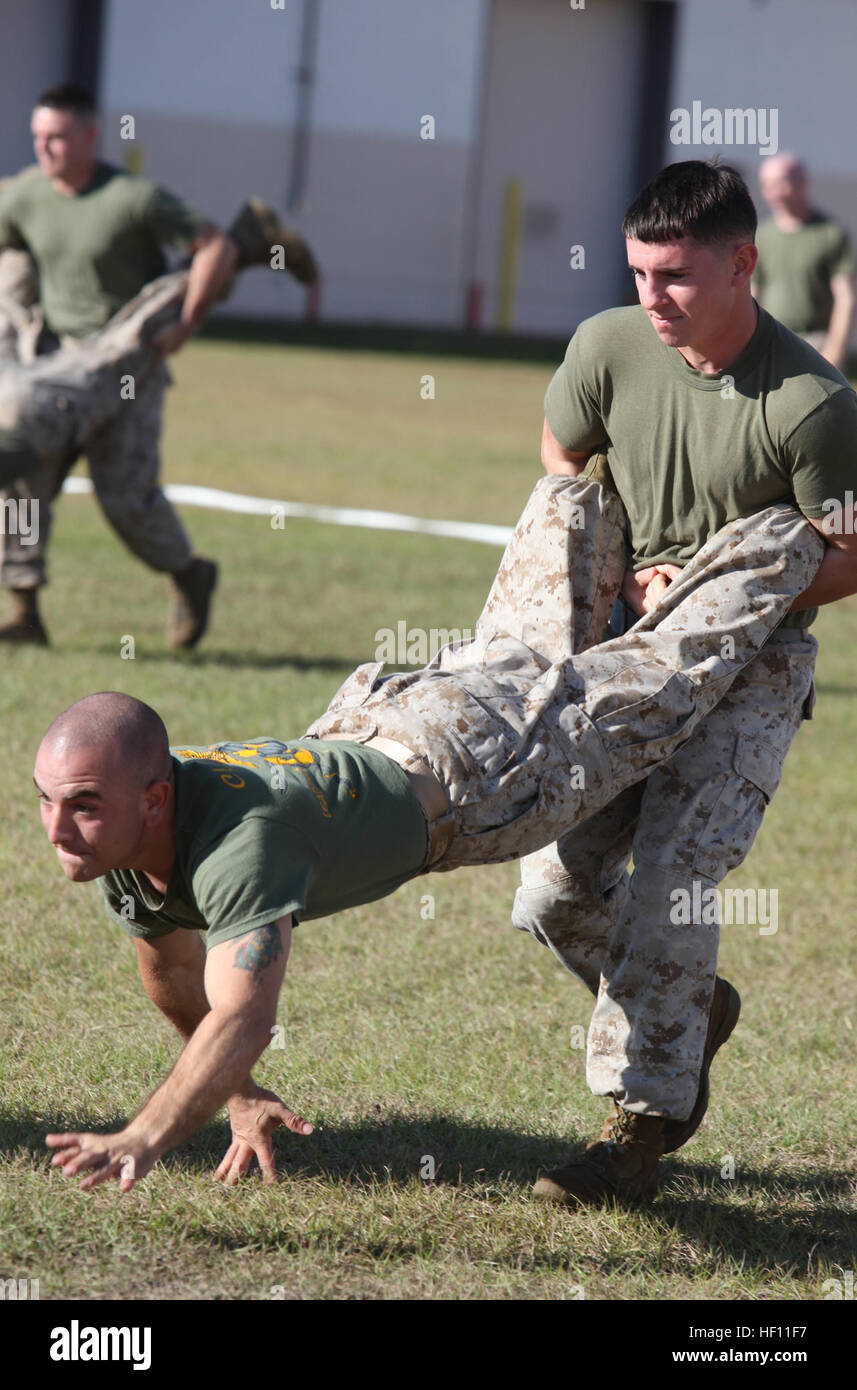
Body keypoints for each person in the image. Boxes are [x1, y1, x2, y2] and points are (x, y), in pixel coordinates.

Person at [34, 471, 825, 1196]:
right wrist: (238, 1095)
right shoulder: (132, 838)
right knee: (567, 506)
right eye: (49, 802)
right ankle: (590, 492)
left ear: (154, 798)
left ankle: (786, 528)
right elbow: (171, 966)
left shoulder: (239, 843)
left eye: (83, 805)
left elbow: (243, 1015)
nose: (59, 830)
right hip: (398, 715)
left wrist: (144, 1135)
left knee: (665, 667)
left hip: (492, 771)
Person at [511, 160, 857, 1207]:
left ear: (741, 264)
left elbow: (846, 550)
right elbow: (561, 457)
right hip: (624, 650)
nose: (649, 297)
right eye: (635, 273)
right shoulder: (606, 347)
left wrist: (714, 593)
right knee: (547, 893)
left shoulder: (810, 402)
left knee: (669, 885)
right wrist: (621, 567)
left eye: (672, 276)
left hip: (751, 671)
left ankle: (636, 1128)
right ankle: (688, 1007)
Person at [0, 82, 237, 649]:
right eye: (37, 137)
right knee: (19, 474)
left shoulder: (131, 198)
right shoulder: (24, 195)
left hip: (127, 370)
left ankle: (189, 573)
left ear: (89, 135)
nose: (45, 148)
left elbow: (215, 245)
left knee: (126, 501)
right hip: (55, 369)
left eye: (57, 137)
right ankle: (24, 609)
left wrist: (189, 319)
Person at [754, 152, 856, 371]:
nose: (774, 193)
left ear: (802, 183)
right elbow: (751, 294)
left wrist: (835, 351)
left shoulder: (830, 233)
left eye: (781, 183)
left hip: (818, 345)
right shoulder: (762, 236)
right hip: (773, 341)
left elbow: (846, 298)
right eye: (767, 185)